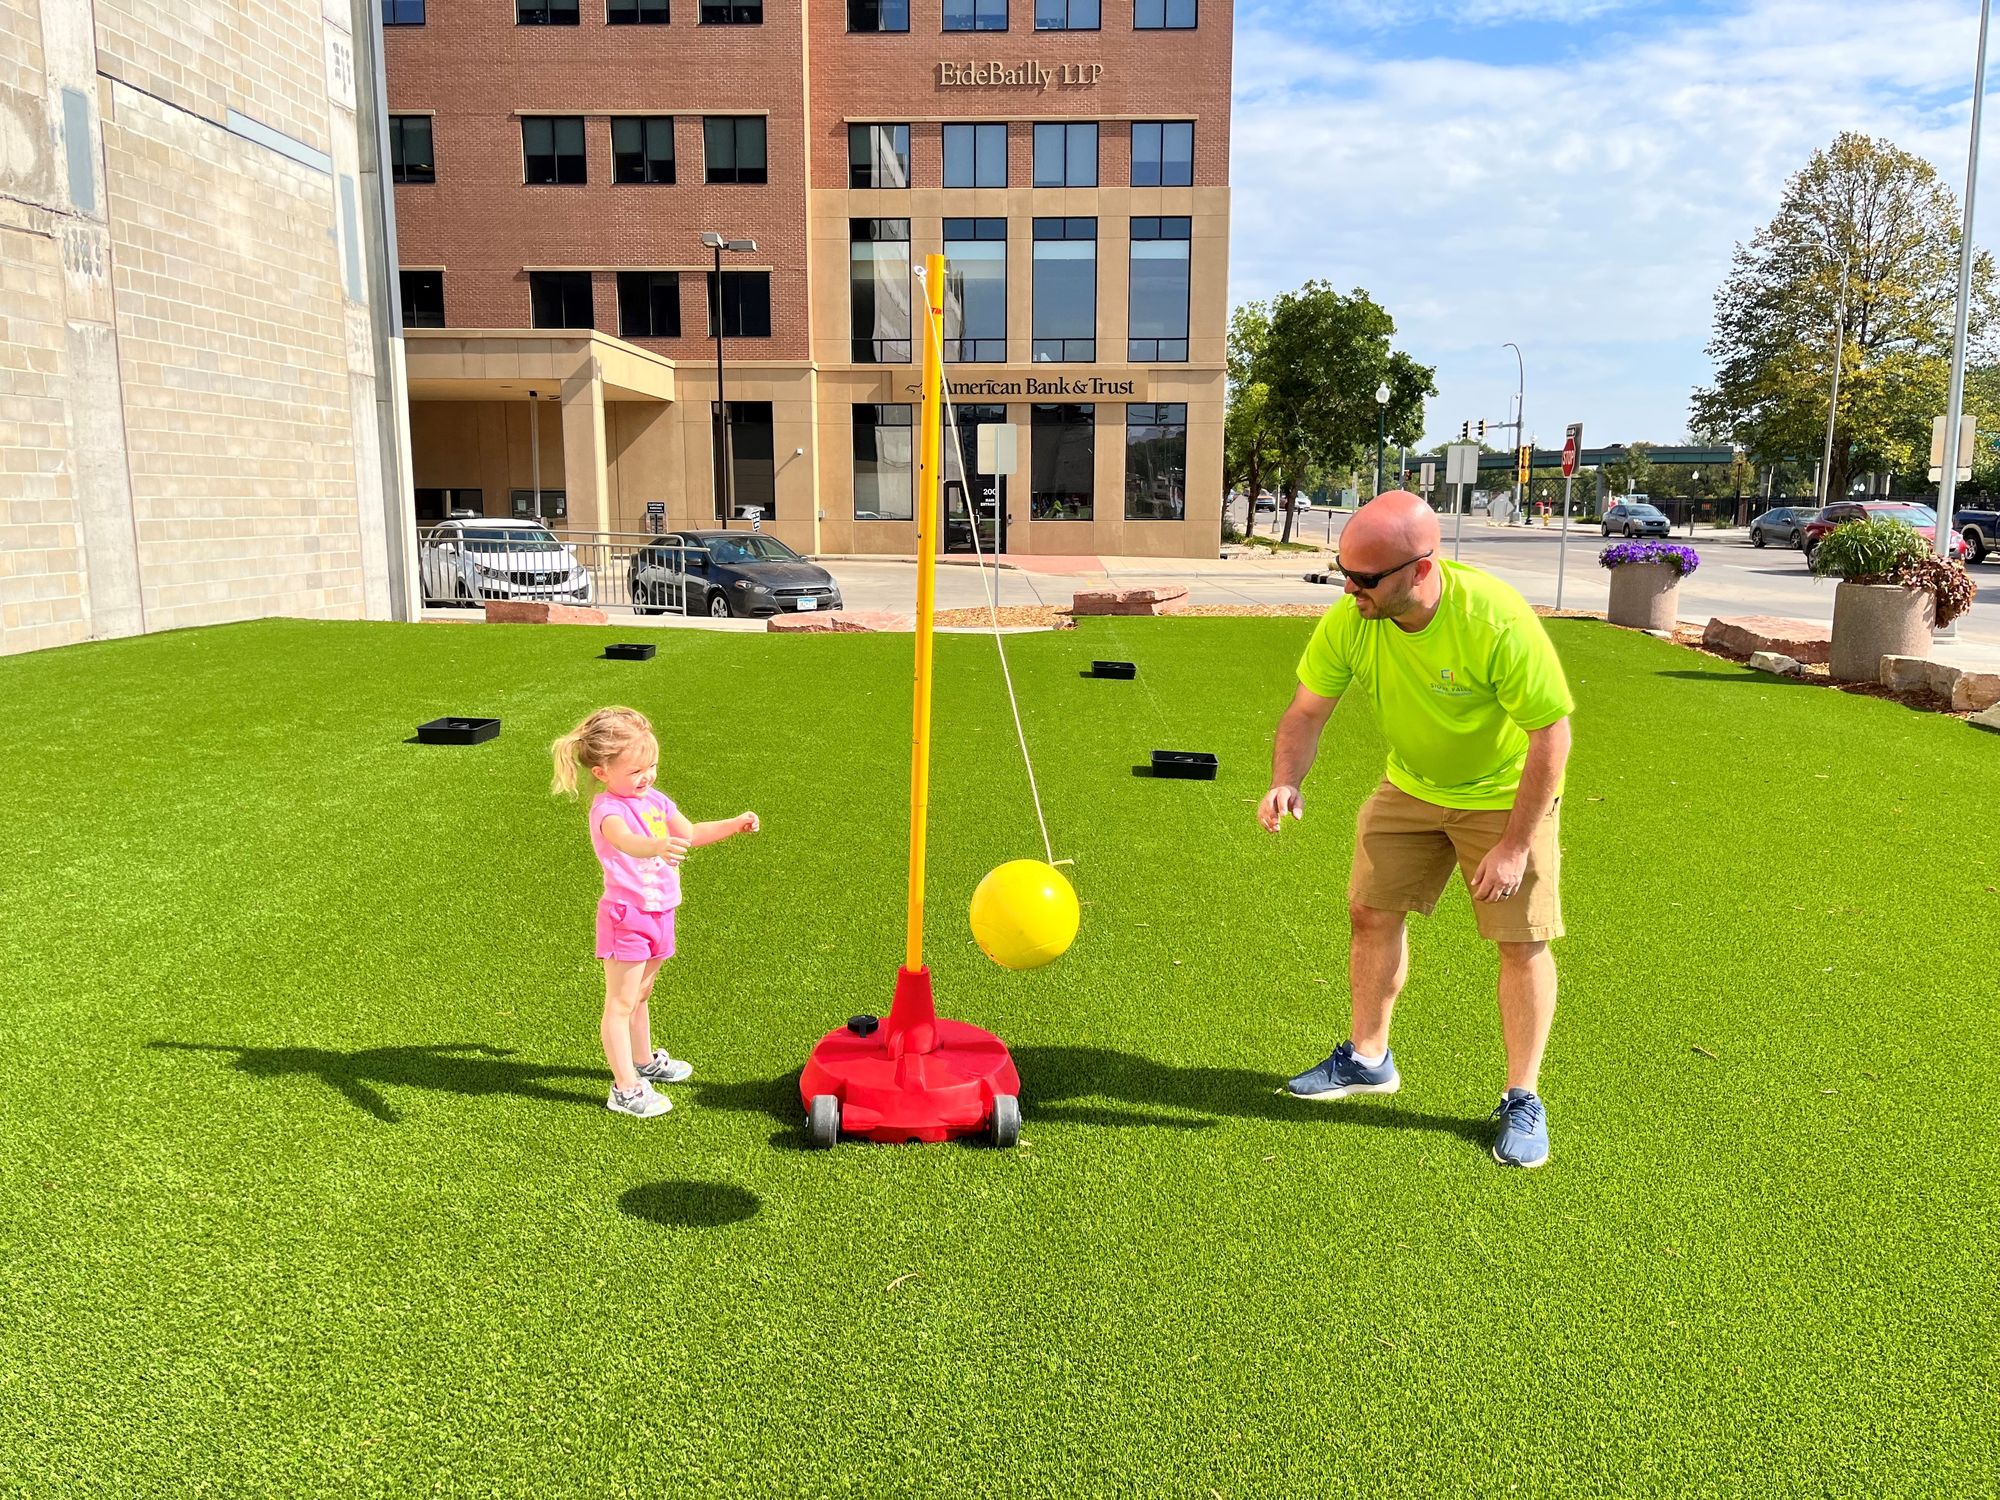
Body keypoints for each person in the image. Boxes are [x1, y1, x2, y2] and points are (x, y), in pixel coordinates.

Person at [1257, 491, 1575, 1168]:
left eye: (1365, 579)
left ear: (1419, 573)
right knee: (1370, 911)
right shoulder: (1353, 619)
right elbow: (1306, 712)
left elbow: (1551, 734)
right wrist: (1288, 779)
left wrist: (1515, 844)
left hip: (1502, 794)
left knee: (1521, 942)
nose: (1350, 589)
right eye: (1344, 572)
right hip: (1410, 784)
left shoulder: (1495, 621)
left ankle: (1524, 1096)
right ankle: (1369, 1057)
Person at [551, 706, 759, 1119]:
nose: (647, 776)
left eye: (652, 766)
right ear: (602, 772)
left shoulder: (656, 800)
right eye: (636, 771)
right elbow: (628, 842)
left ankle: (644, 1062)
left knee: (642, 994)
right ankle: (625, 1088)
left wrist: (733, 824)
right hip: (627, 916)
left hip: (661, 911)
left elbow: (692, 831)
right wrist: (658, 846)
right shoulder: (607, 811)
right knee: (621, 1002)